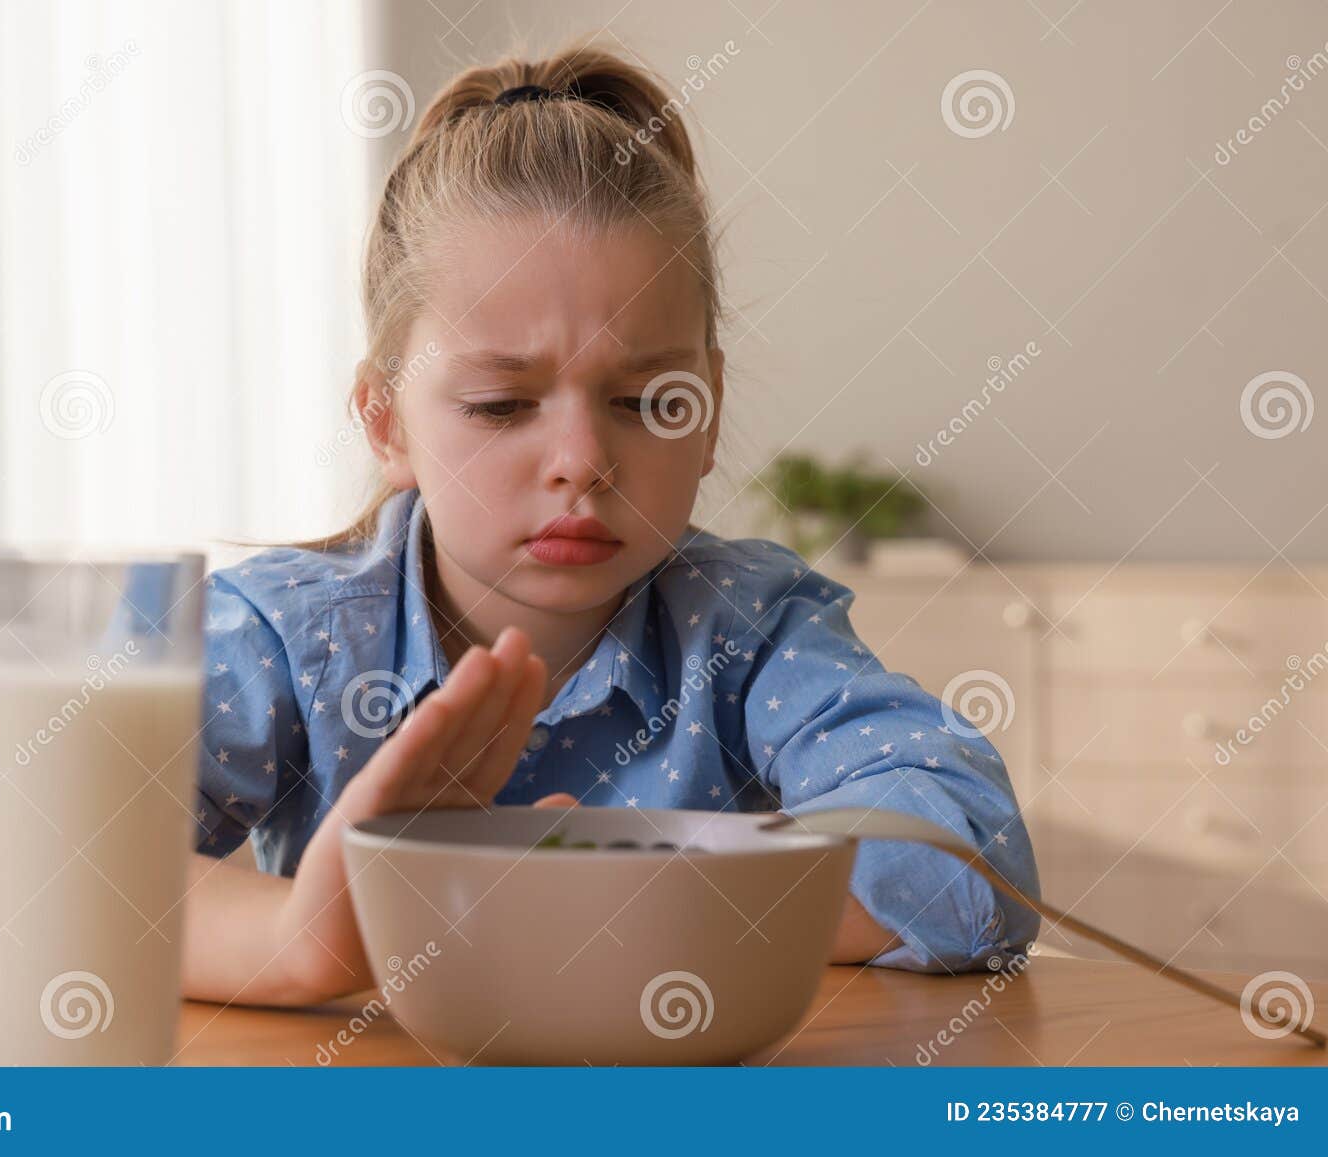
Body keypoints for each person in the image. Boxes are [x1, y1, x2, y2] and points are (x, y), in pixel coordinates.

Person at [181, 42, 1040, 1008]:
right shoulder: (288, 635)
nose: (583, 460)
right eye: (503, 405)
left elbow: (973, 852)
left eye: (645, 399)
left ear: (707, 409)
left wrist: (625, 893)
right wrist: (303, 941)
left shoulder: (749, 628)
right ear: (385, 420)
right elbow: (56, 856)